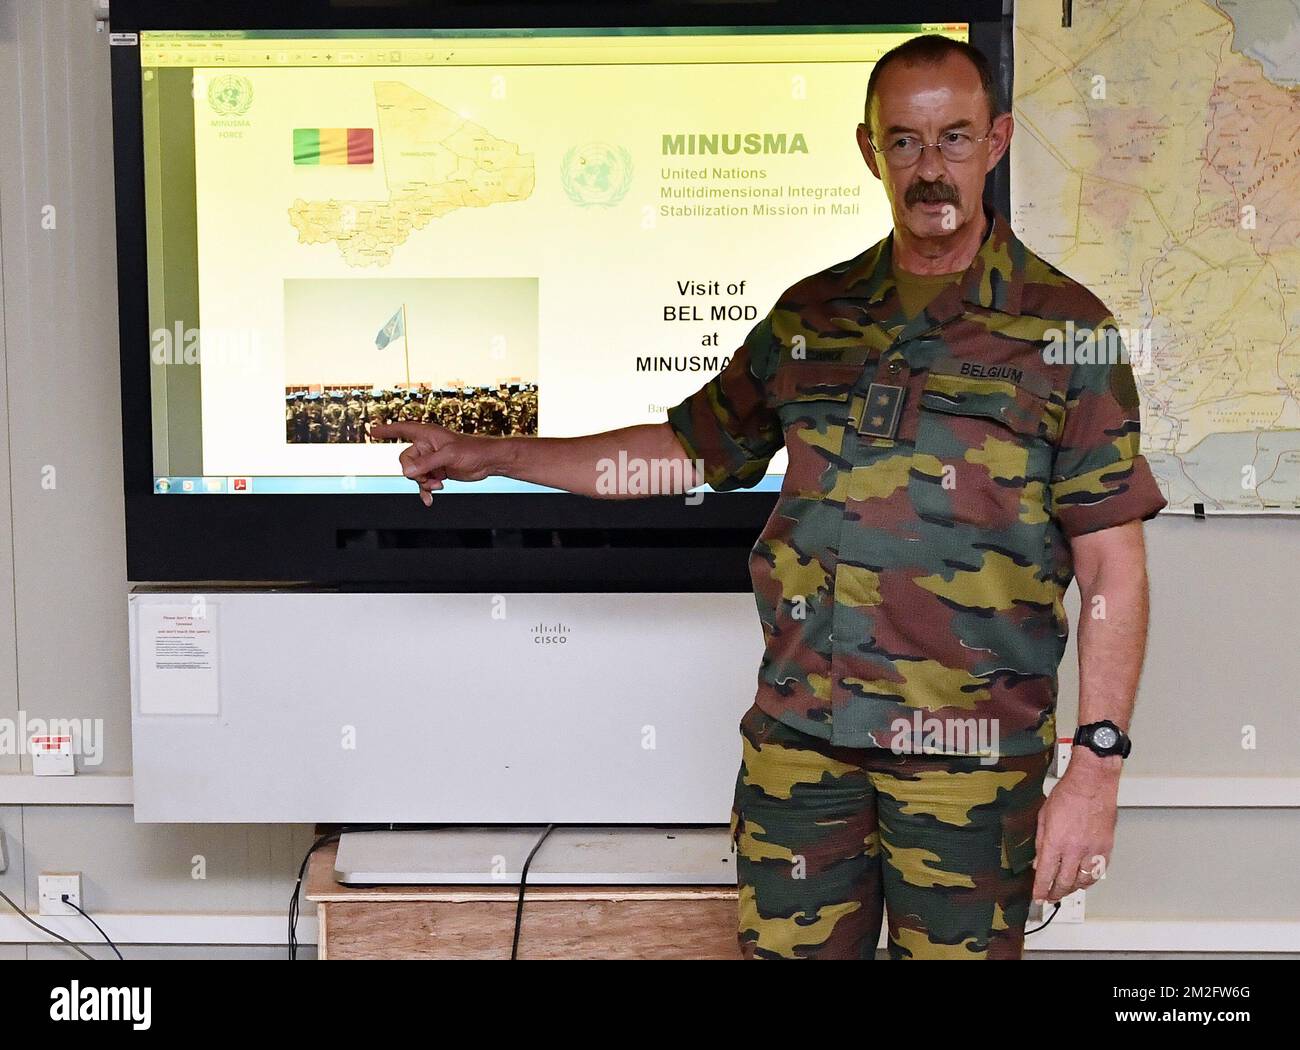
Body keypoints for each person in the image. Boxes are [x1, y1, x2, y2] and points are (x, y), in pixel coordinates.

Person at [371, 35, 1166, 960]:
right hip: (804, 753)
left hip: (971, 767)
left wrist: (1096, 767)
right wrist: (492, 453)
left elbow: (1113, 560)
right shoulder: (811, 317)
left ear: (996, 143)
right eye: (903, 142)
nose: (930, 168)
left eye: (954, 138)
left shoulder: (1067, 332)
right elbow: (681, 449)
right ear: (870, 152)